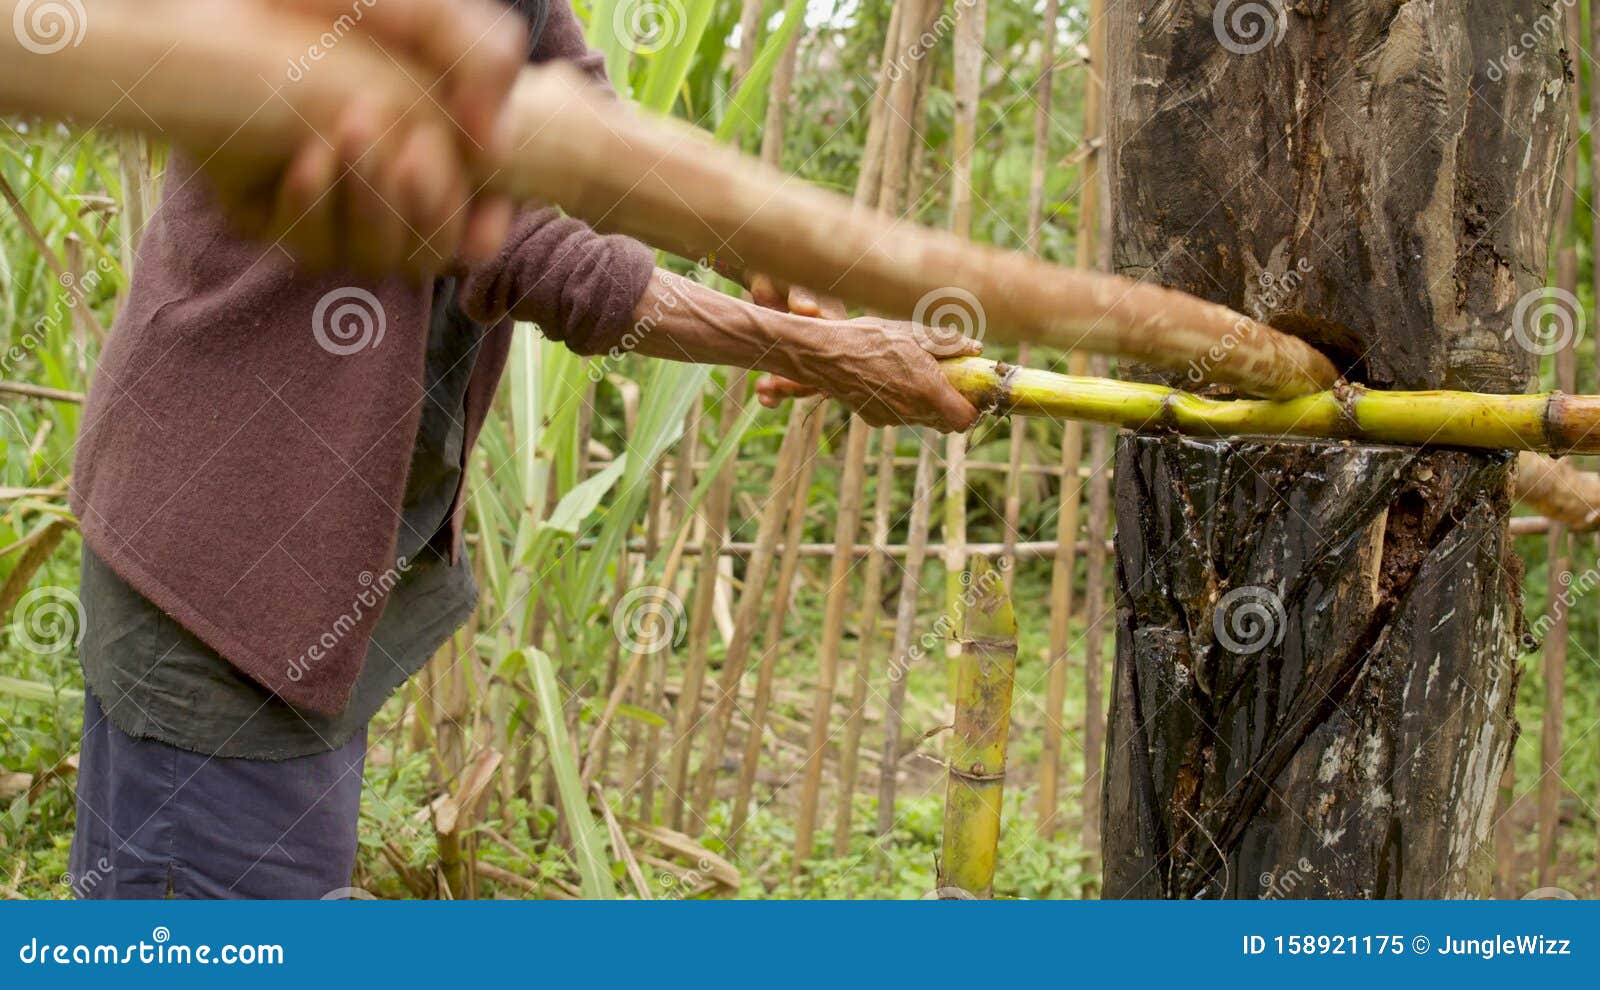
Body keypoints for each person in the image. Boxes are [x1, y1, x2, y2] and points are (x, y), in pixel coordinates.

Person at [64, 0, 978, 898]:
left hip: (300, 566)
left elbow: (576, 120)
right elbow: (500, 237)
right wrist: (815, 349)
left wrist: (738, 238)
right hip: (227, 544)